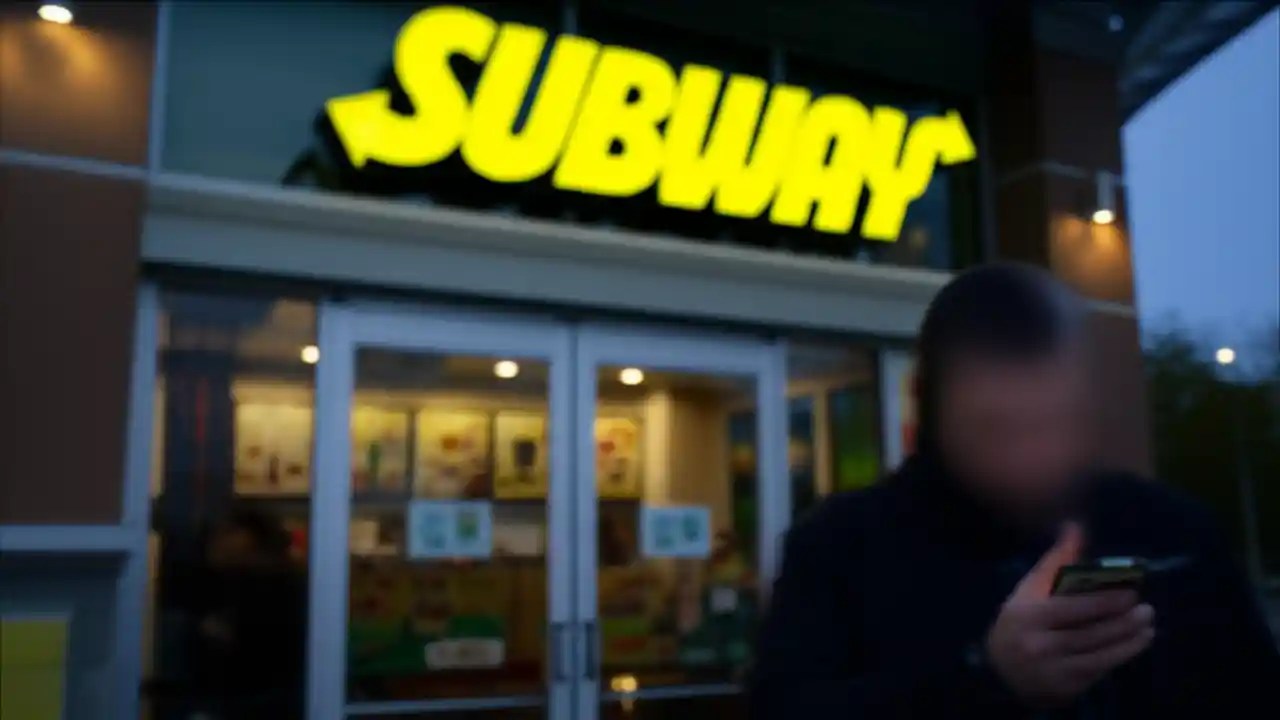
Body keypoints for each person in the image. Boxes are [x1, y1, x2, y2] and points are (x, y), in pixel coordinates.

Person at [750, 263, 1279, 718]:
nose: (1031, 459)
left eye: (1055, 422)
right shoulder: (840, 548)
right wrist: (988, 677)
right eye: (995, 429)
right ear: (925, 405)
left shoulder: (1172, 534)